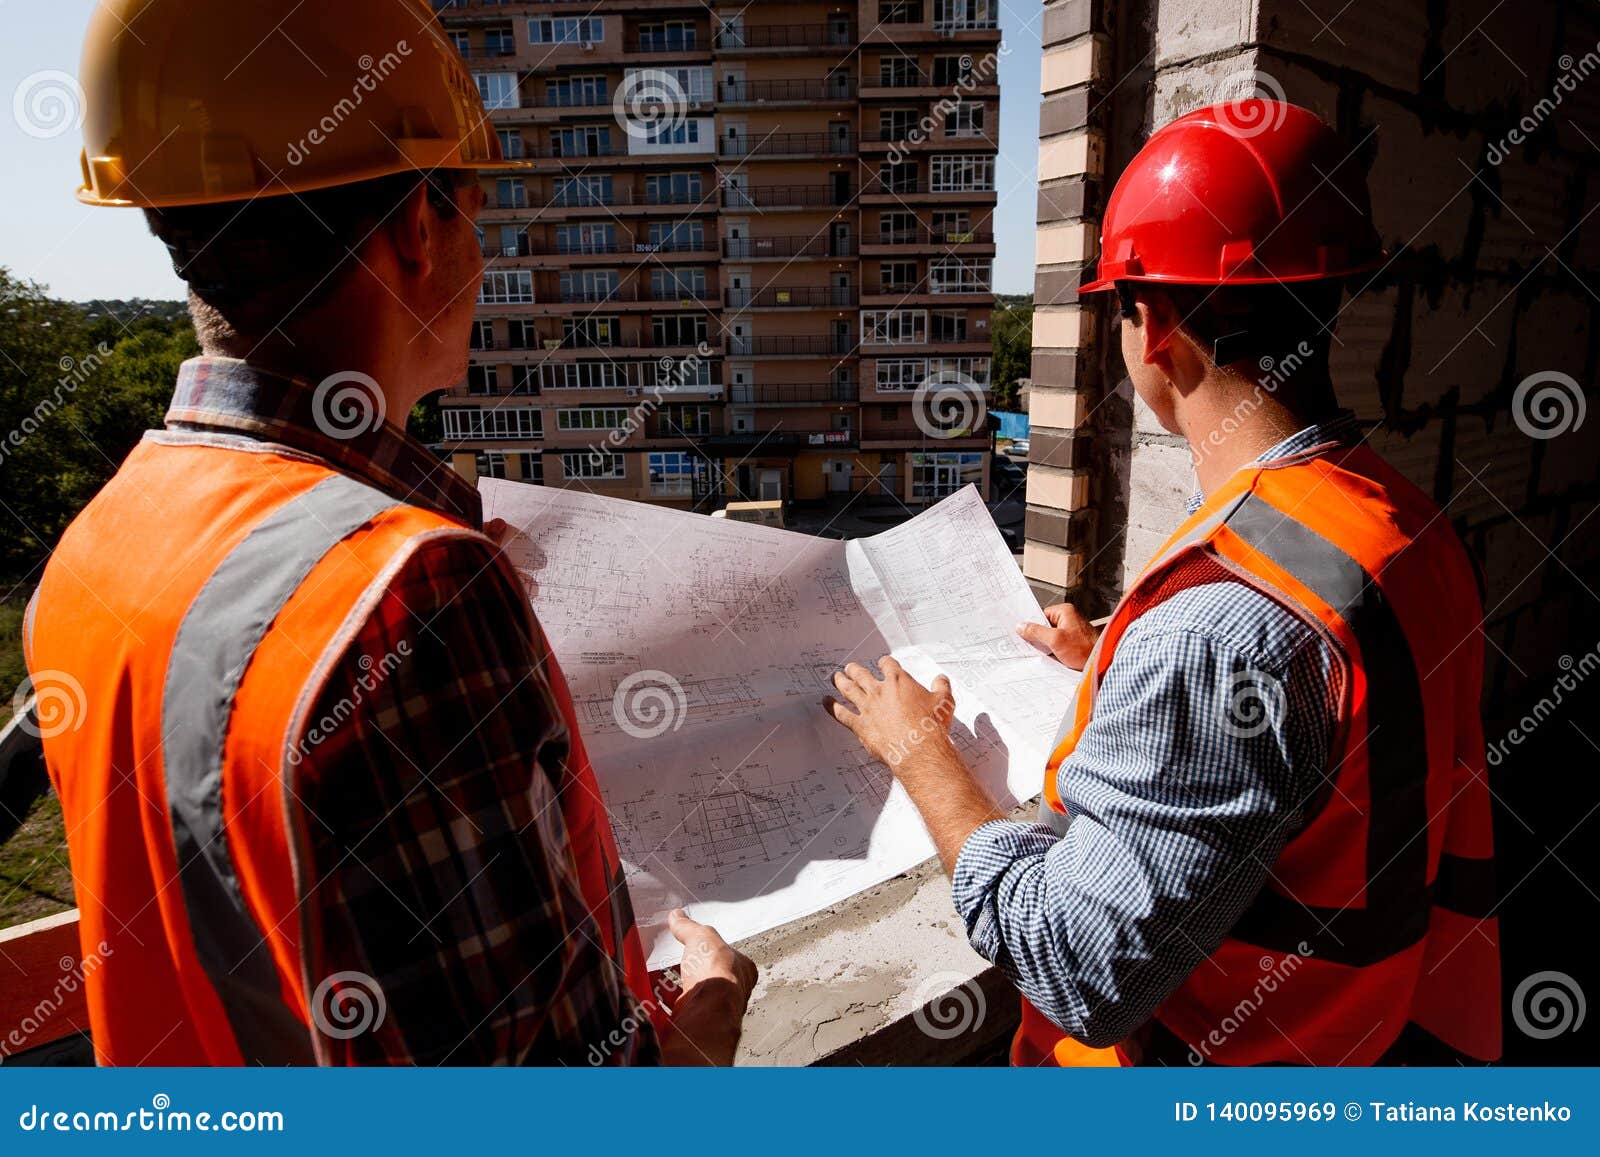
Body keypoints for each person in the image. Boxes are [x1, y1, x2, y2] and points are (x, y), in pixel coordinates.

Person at [24, 0, 755, 1066]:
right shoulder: (410, 592)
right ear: (419, 226)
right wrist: (703, 1030)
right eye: (472, 207)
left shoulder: (95, 548)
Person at [825, 100, 1501, 1066]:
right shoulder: (1404, 528)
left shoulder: (1218, 631)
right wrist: (1112, 656)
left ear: (1156, 329)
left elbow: (1078, 966)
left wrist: (922, 752)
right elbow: (1336, 736)